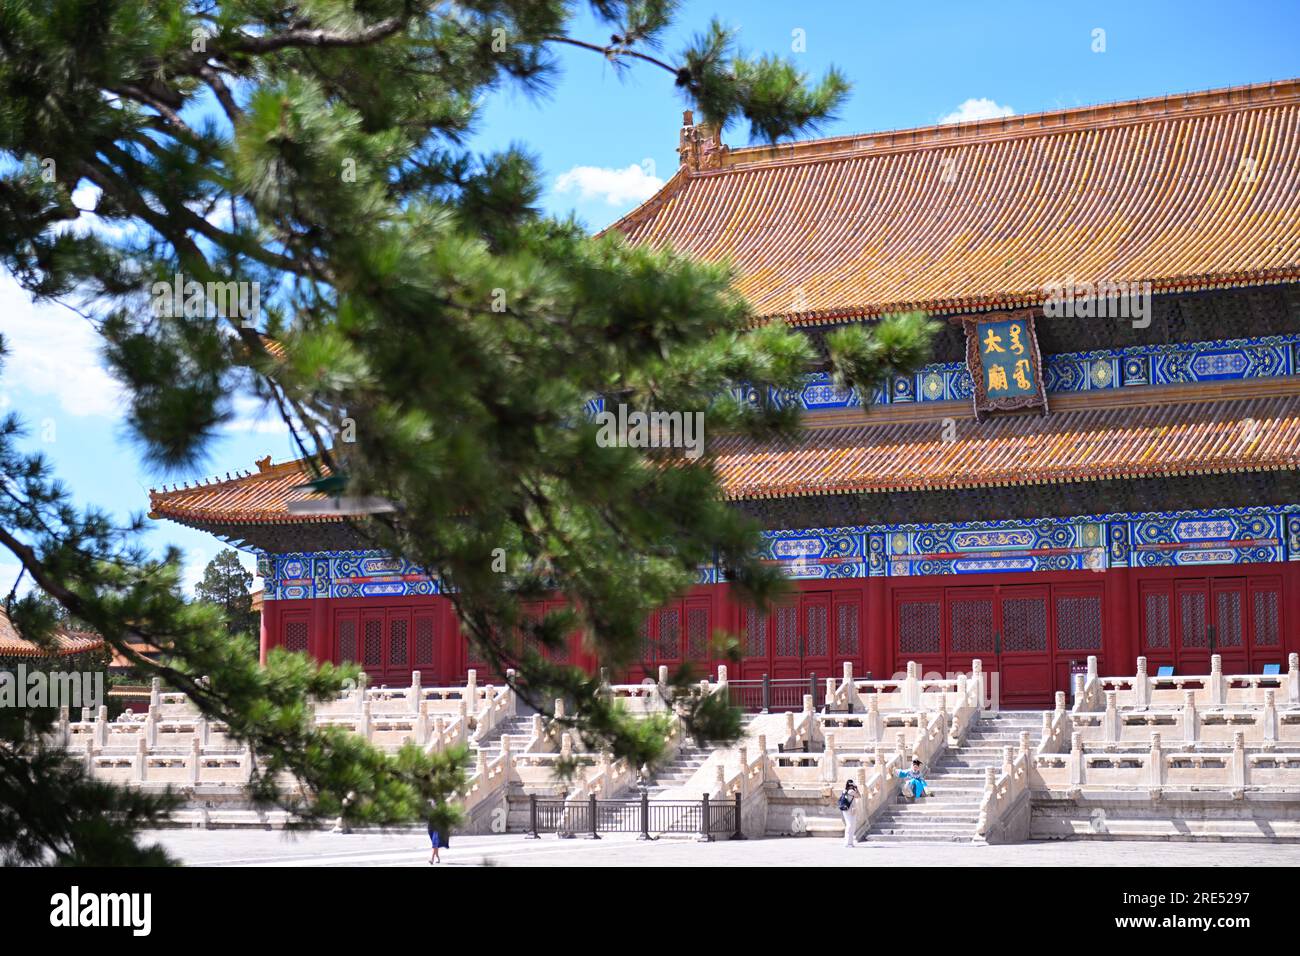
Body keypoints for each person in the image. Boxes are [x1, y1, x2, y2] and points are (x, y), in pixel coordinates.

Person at [838, 779, 860, 847]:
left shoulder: (844, 790)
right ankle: (848, 842)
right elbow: (859, 796)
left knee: (850, 825)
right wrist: (856, 788)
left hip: (846, 809)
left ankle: (849, 842)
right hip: (850, 810)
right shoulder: (851, 791)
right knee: (850, 825)